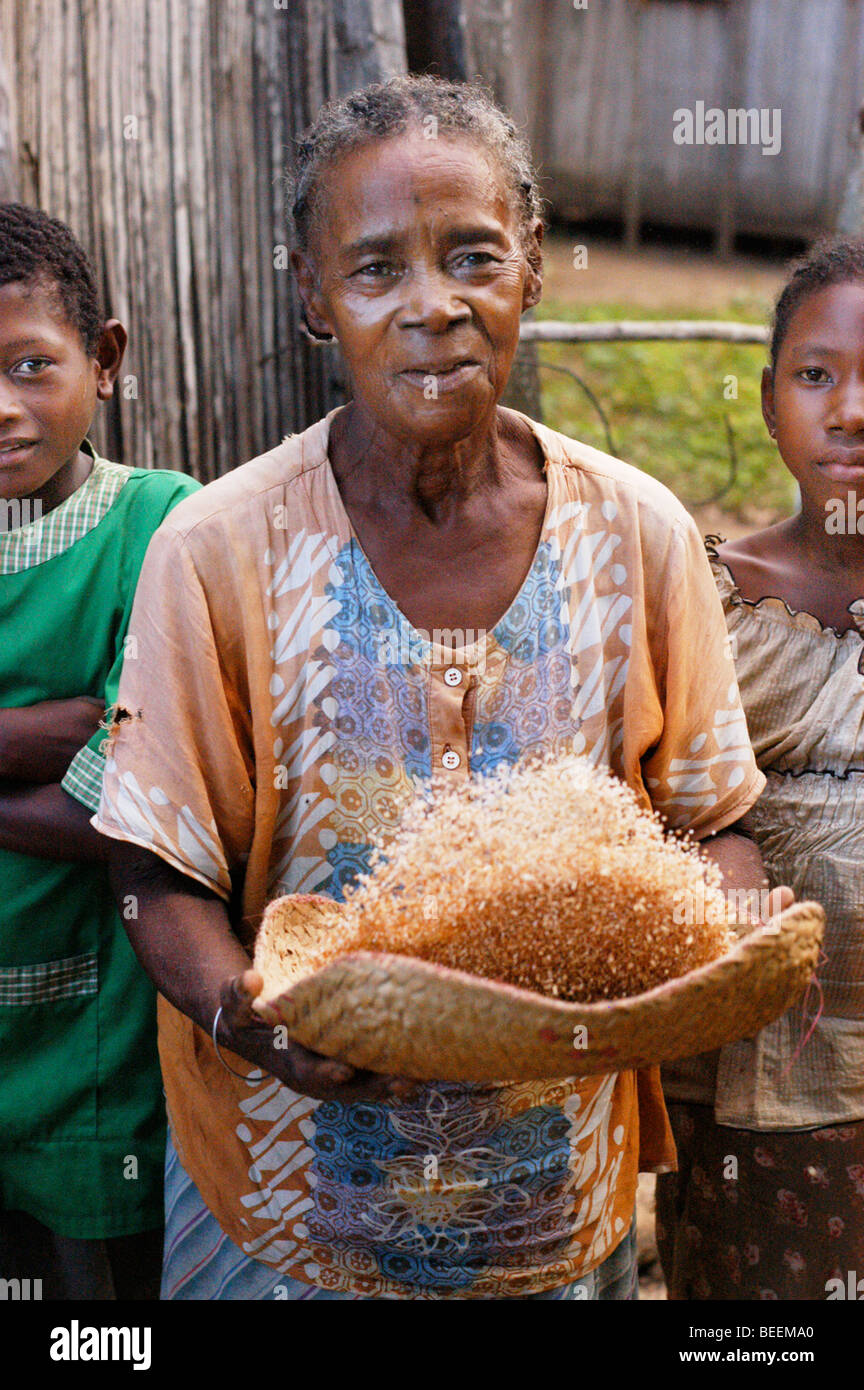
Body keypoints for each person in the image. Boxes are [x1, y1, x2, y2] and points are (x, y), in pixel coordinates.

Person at [97, 76, 774, 1300]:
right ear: (314, 298)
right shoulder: (216, 548)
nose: (433, 308)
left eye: (473, 256)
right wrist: (249, 1013)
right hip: (282, 1207)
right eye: (373, 271)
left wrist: (715, 939)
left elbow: (712, 825)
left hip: (557, 1202)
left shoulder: (641, 534)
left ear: (531, 270)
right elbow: (153, 872)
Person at [657, 240, 864, 1301]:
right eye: (816, 374)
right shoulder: (710, 598)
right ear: (773, 400)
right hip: (752, 1088)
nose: (850, 410)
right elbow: (665, 800)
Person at [0, 204, 199, 1298]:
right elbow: (80, 765)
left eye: (33, 365)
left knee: (100, 1315)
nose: (3, 407)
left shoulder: (161, 529)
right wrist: (41, 732)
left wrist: (86, 754)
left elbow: (120, 806)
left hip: (92, 1054)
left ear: (105, 360)